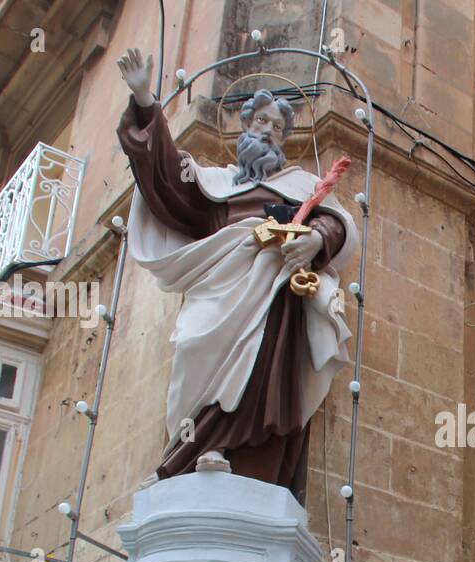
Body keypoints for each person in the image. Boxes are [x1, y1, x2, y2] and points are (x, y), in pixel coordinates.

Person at [115, 47, 356, 501]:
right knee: (192, 346)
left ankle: (224, 451)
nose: (268, 132)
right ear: (246, 125)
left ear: (285, 137)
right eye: (260, 122)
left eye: (278, 127)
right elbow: (165, 180)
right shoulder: (215, 182)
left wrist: (316, 240)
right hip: (217, 286)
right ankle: (185, 455)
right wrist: (146, 99)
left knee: (259, 367)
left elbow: (336, 221)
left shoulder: (300, 185)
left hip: (272, 293)